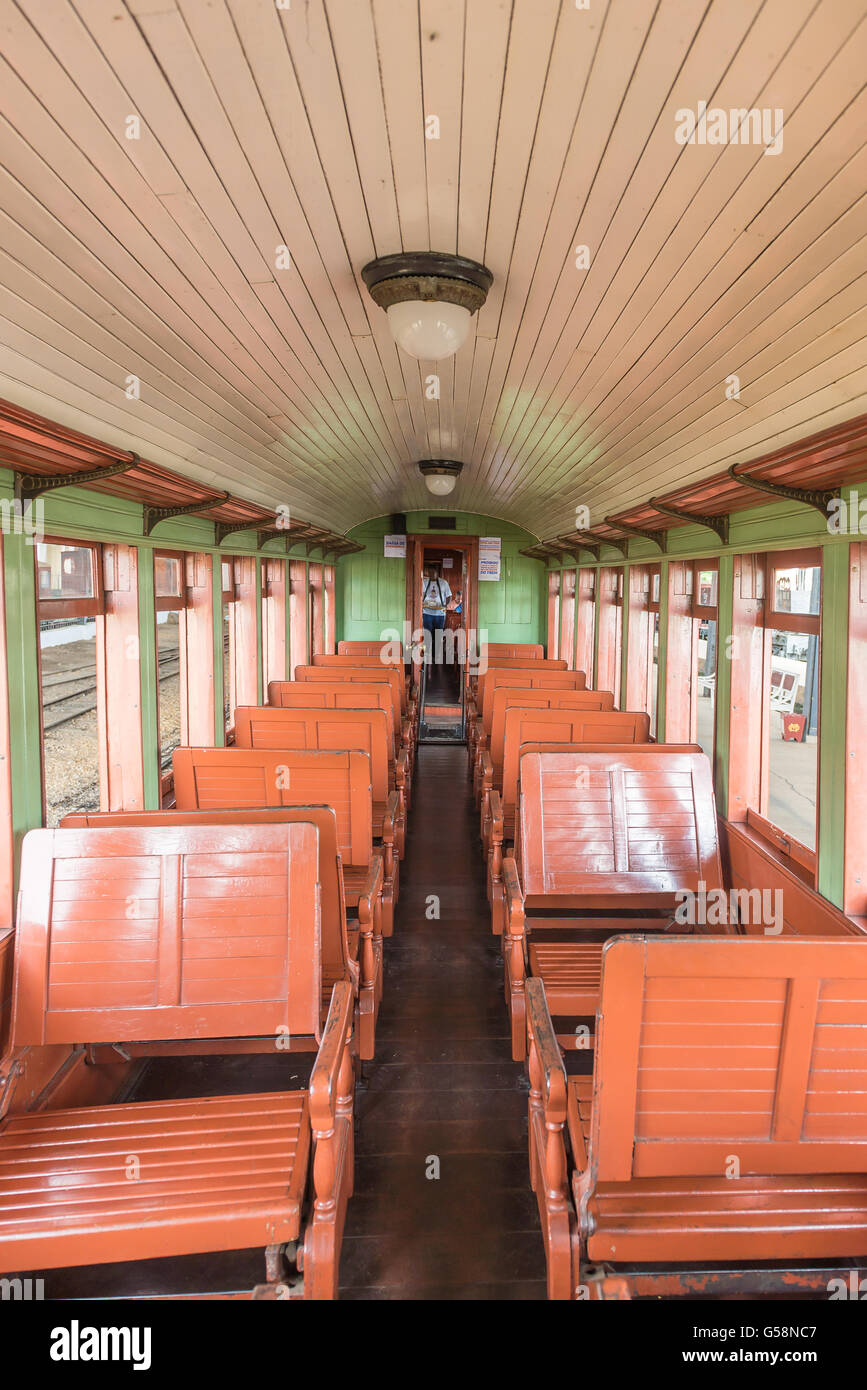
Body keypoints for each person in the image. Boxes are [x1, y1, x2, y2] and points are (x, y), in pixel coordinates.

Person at [421, 565, 451, 653]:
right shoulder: (424, 582)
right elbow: (420, 594)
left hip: (440, 614)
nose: (431, 574)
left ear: (437, 572)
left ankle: (437, 653)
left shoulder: (444, 583)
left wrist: (446, 605)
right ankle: (427, 653)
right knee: (427, 634)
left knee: (438, 634)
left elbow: (449, 595)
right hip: (426, 613)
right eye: (429, 572)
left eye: (433, 572)